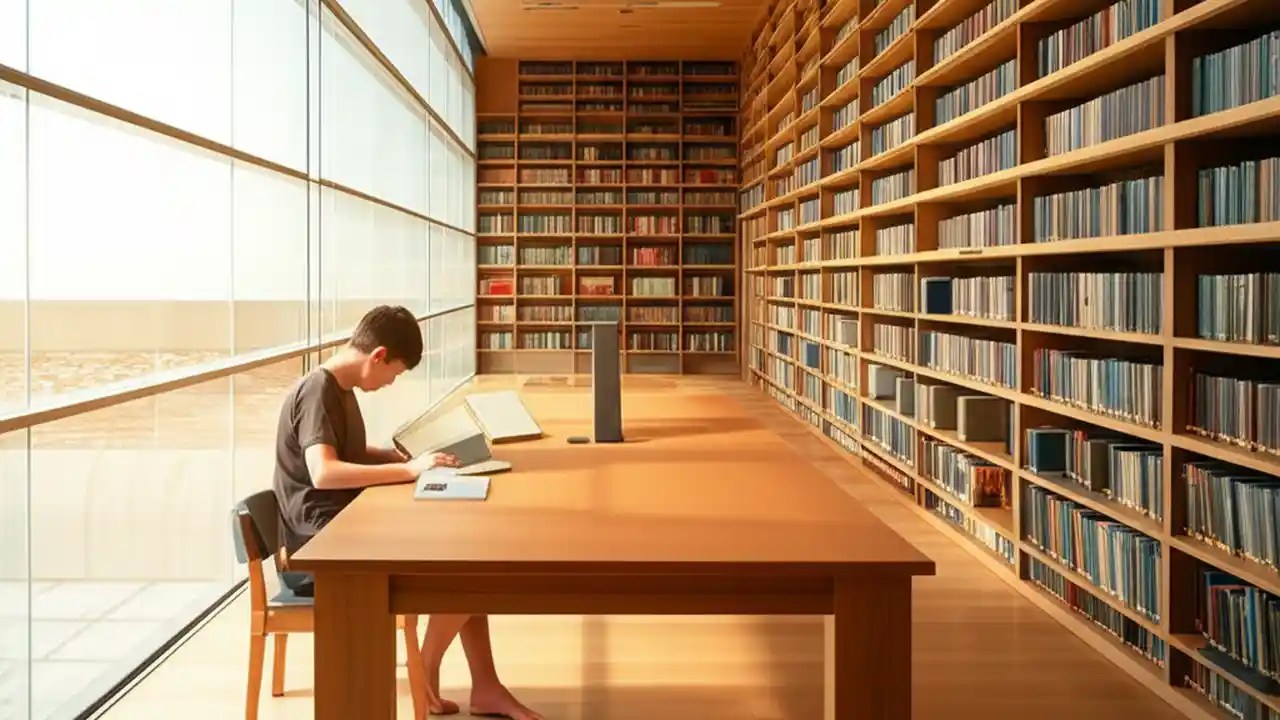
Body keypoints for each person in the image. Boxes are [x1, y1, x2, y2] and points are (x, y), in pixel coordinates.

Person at [271, 304, 544, 720]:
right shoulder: (318, 391)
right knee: (467, 567)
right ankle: (428, 671)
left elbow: (350, 454)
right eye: (394, 373)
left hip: (344, 529)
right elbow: (323, 472)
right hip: (324, 551)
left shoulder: (339, 389)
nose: (391, 382)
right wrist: (408, 470)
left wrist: (409, 457)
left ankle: (484, 686)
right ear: (378, 355)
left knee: (468, 553)